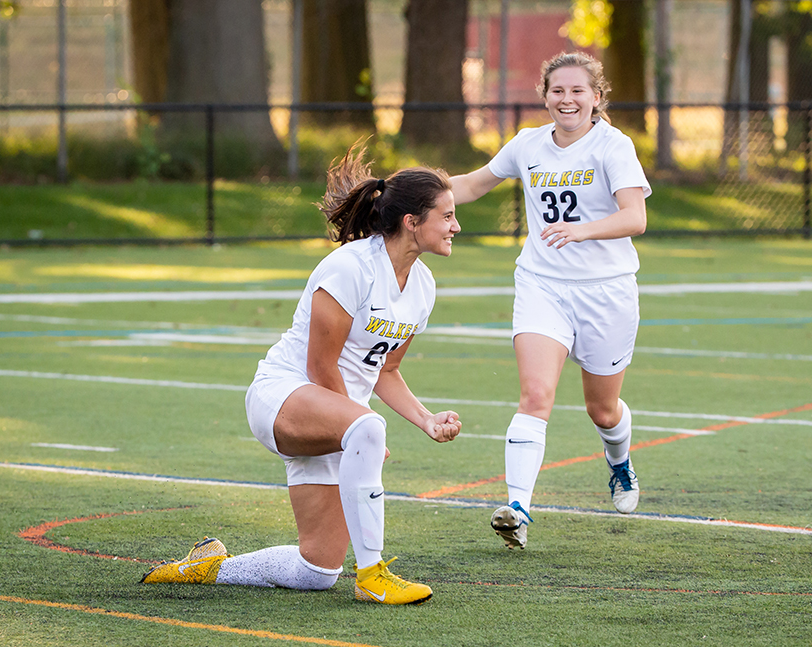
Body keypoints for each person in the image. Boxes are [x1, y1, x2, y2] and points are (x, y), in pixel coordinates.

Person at [141, 145, 462, 605]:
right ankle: (373, 576)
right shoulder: (350, 267)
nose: (456, 226)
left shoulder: (424, 286)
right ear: (411, 221)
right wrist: (356, 427)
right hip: (284, 396)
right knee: (369, 425)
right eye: (446, 216)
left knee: (316, 570)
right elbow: (319, 366)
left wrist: (426, 419)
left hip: (335, 414)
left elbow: (386, 368)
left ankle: (209, 568)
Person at [449, 51, 650, 549]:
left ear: (596, 98)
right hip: (542, 285)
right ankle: (517, 508)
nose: (567, 99)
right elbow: (472, 185)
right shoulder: (527, 144)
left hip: (607, 291)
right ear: (544, 97)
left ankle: (620, 464)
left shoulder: (613, 146)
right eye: (558, 90)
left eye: (578, 90)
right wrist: (397, 191)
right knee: (535, 396)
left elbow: (635, 218)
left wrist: (582, 232)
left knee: (602, 411)